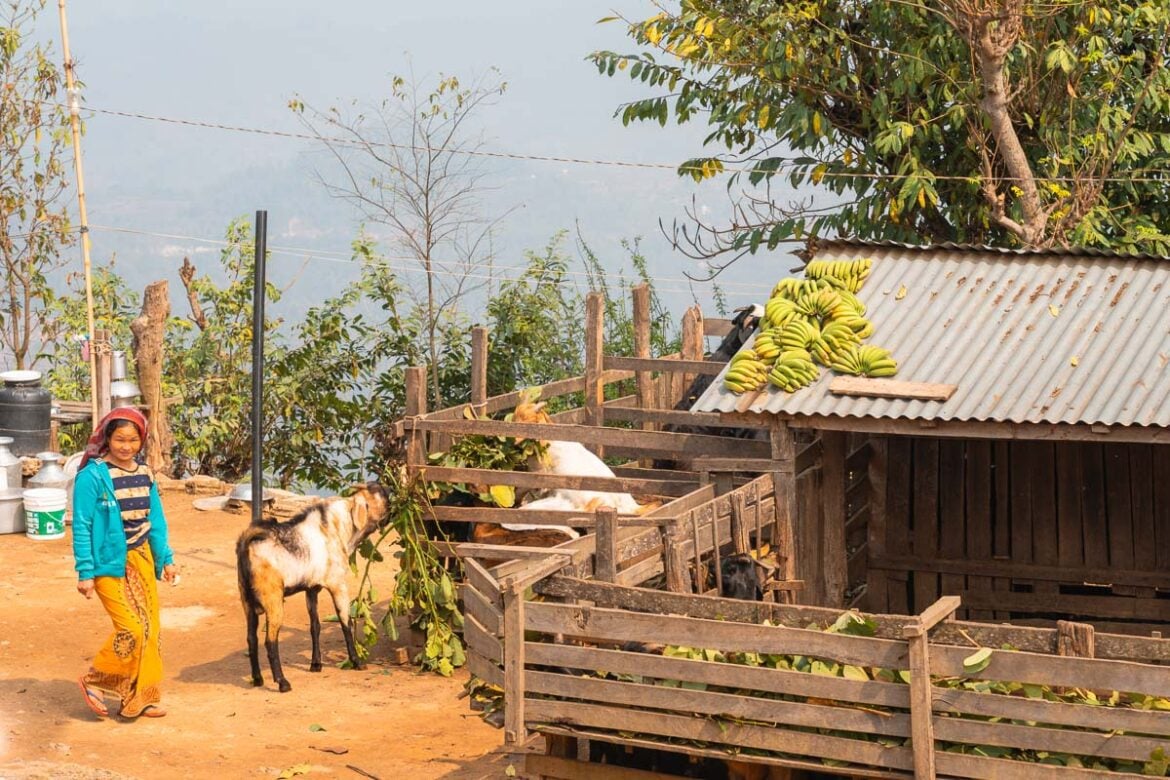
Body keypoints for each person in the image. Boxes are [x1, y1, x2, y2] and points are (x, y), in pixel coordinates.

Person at [71, 407, 177, 719]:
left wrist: (167, 560)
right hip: (107, 563)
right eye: (120, 439)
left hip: (141, 559)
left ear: (141, 441)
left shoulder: (145, 474)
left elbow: (155, 522)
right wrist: (85, 572)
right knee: (131, 628)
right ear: (107, 439)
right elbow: (81, 526)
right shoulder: (92, 477)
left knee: (150, 630)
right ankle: (95, 680)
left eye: (133, 440)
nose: (126, 446)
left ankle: (139, 698)